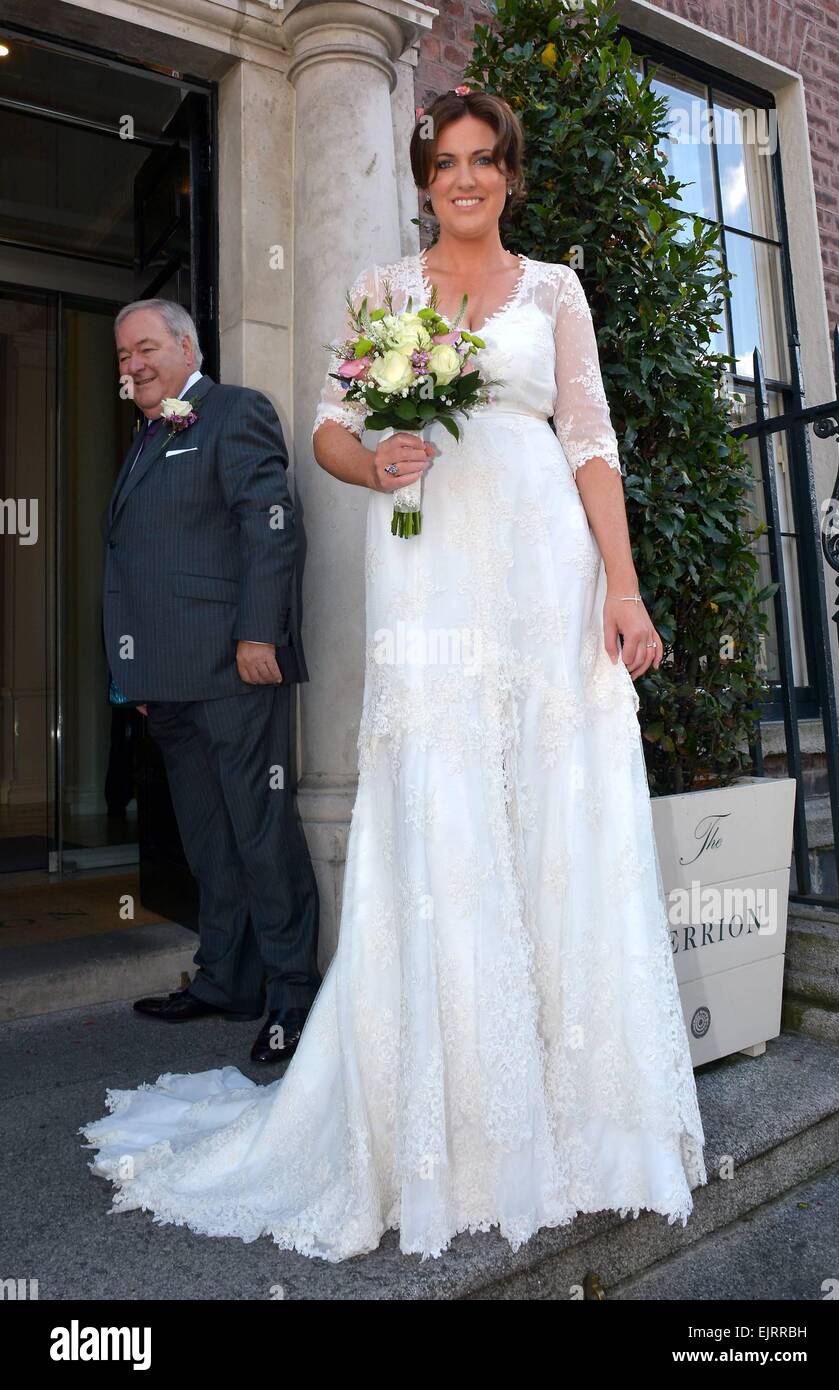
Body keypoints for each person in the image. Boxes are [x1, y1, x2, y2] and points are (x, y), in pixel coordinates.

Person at [80, 90, 706, 1263]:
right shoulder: (380, 292)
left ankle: (582, 1120)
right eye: (443, 163)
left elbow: (589, 442)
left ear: (509, 175)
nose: (463, 178)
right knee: (443, 806)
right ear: (423, 179)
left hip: (539, 570)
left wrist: (620, 587)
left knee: (551, 807)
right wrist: (374, 460)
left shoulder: (554, 293)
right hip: (427, 573)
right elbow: (324, 429)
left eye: (482, 161)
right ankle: (456, 1130)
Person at [102, 298, 320, 1066]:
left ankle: (293, 995)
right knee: (206, 839)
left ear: (188, 347)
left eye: (146, 348)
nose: (133, 364)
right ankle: (227, 978)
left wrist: (259, 631)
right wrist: (137, 675)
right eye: (124, 355)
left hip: (234, 669)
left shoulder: (234, 412)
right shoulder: (144, 437)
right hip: (168, 680)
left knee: (260, 834)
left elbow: (270, 521)